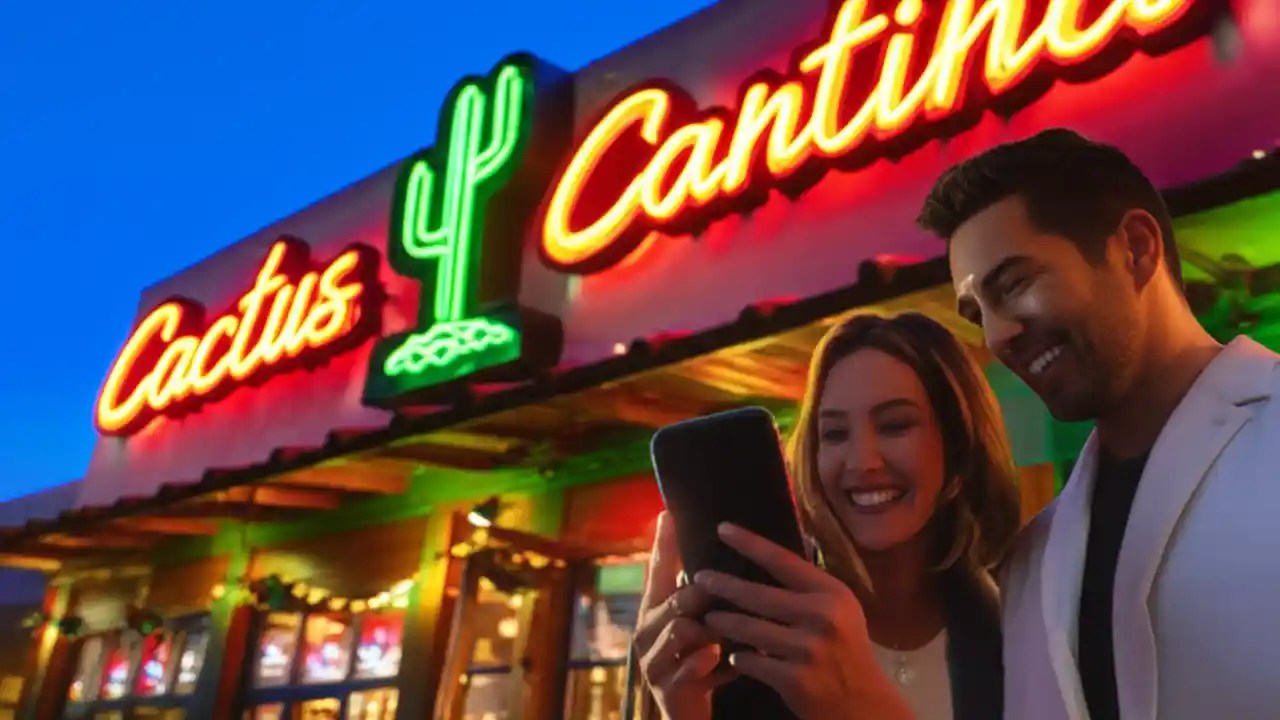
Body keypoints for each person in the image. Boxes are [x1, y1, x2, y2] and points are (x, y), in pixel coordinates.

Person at [917, 128, 1280, 720]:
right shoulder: (1032, 558)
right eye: (977, 313)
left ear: (1135, 249)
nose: (997, 335)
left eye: (1016, 284)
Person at [632, 312, 1022, 720]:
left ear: (958, 453)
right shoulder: (762, 640)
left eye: (895, 425)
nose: (863, 461)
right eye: (834, 433)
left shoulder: (1023, 628)